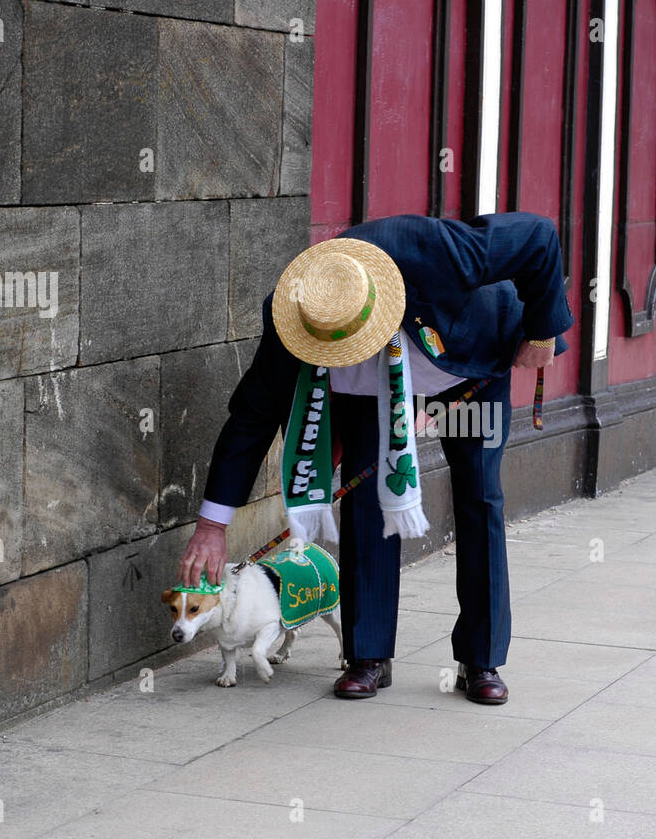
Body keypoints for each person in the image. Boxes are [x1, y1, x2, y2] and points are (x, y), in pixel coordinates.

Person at [179, 211, 573, 704]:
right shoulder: (295, 313)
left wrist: (540, 334)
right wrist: (212, 526)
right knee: (367, 499)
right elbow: (250, 418)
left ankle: (482, 659)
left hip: (470, 362)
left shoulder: (434, 251)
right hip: (375, 388)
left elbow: (538, 236)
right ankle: (368, 655)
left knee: (480, 496)